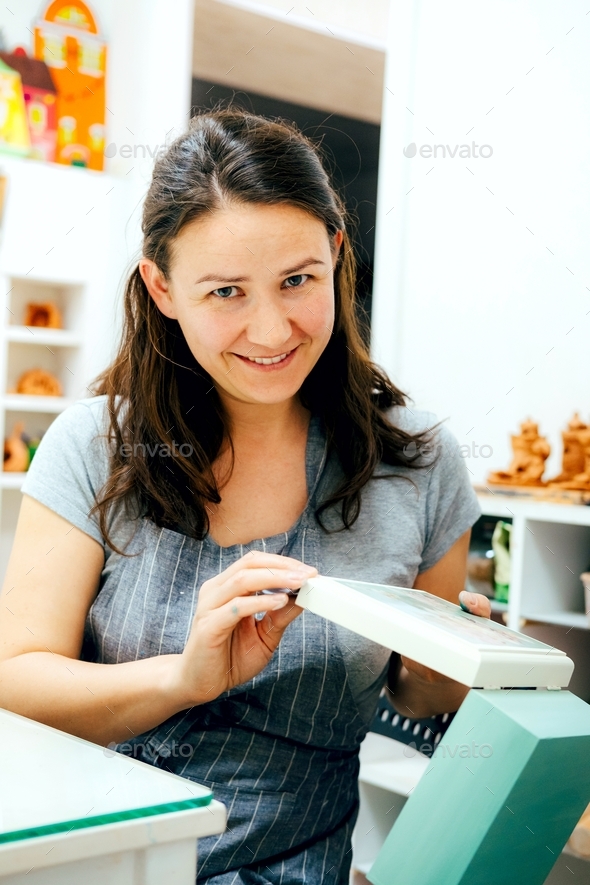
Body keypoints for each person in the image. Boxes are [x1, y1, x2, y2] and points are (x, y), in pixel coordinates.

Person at [0, 108, 488, 884]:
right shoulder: (96, 446)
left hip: (296, 866)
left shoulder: (421, 462)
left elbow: (417, 693)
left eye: (298, 280)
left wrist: (456, 658)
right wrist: (181, 678)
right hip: (95, 860)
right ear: (161, 288)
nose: (271, 330)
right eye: (227, 291)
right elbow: (17, 679)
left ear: (337, 252)